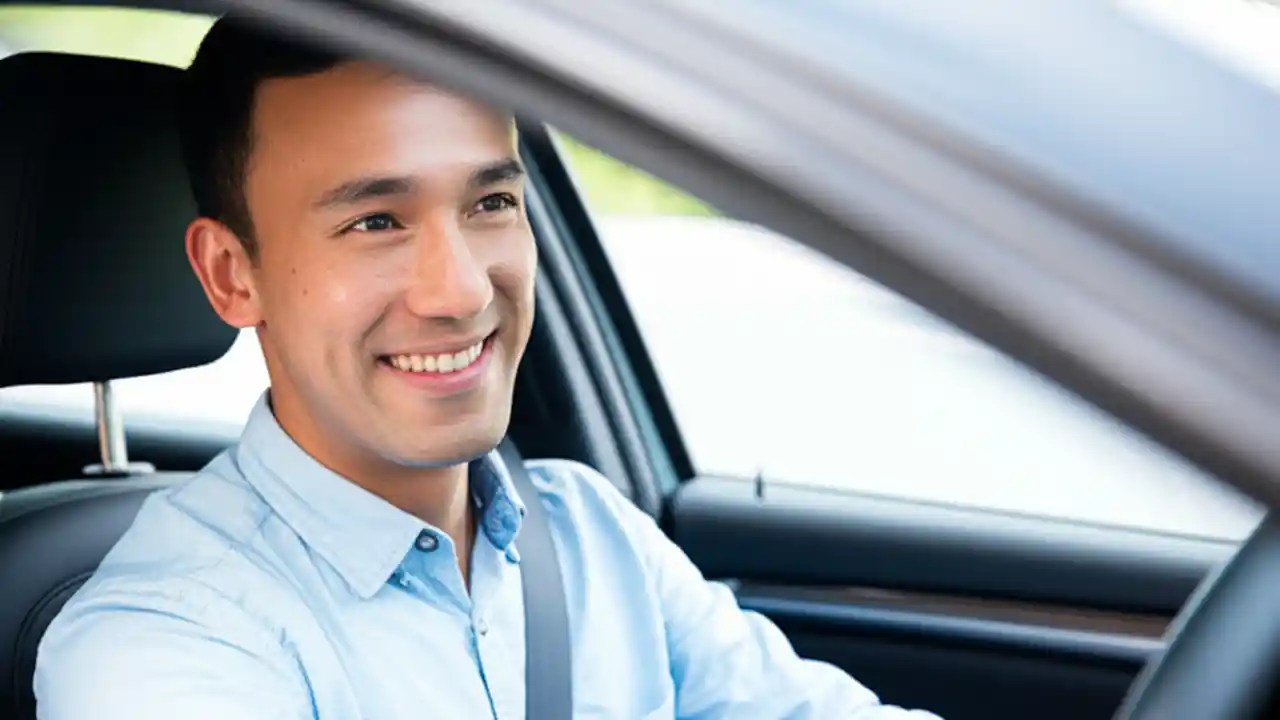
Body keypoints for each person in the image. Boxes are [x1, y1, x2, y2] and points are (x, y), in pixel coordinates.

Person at [35, 15, 939, 720]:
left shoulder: (594, 540)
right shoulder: (160, 647)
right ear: (234, 275)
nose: (461, 291)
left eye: (491, 201)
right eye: (376, 221)